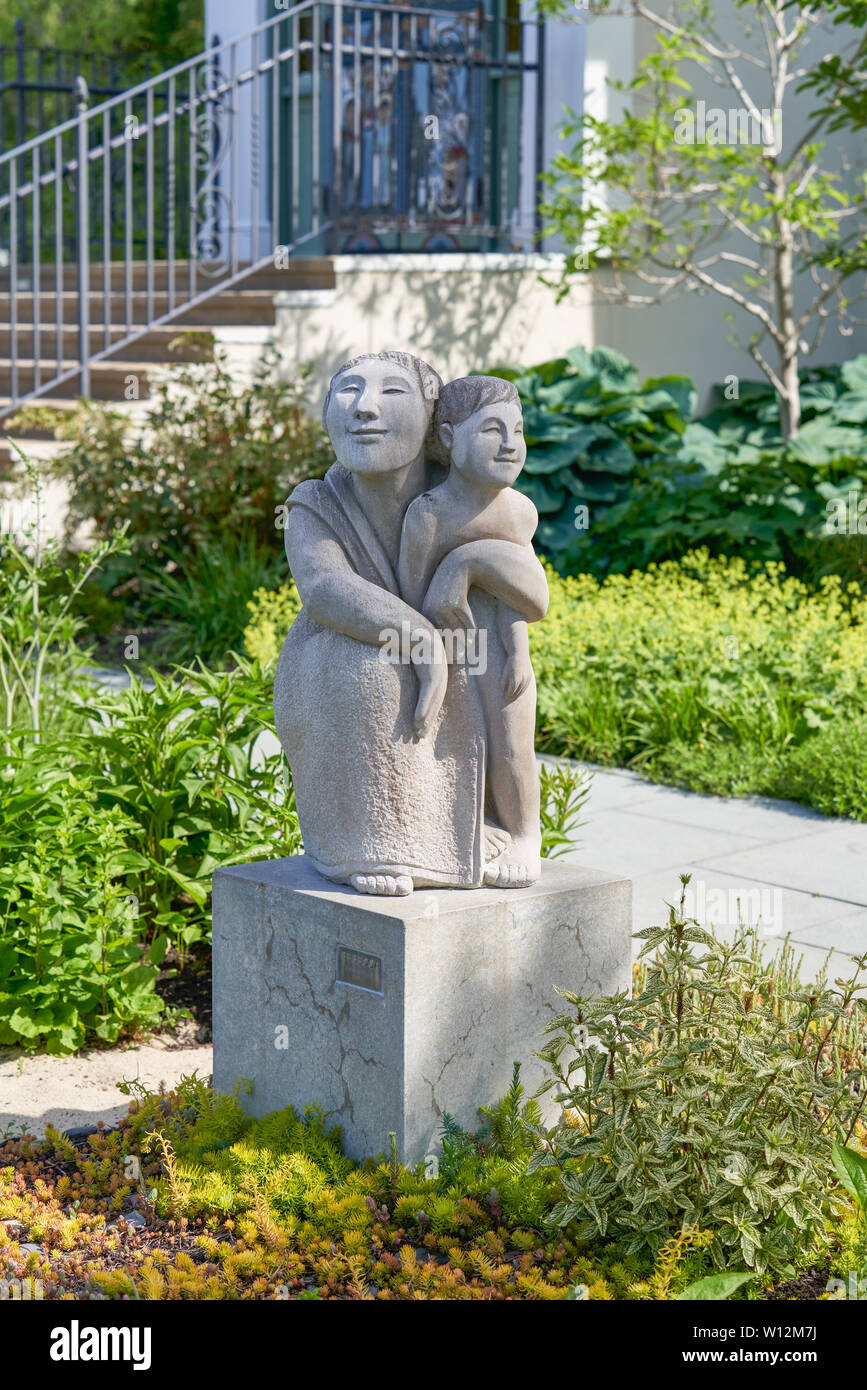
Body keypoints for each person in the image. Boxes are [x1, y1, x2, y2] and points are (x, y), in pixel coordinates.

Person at [273, 351, 548, 896]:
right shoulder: (315, 501)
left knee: (491, 641)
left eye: (391, 393)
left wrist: (463, 564)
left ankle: (501, 826)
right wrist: (417, 637)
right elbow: (325, 587)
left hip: (460, 645)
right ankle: (376, 841)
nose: (365, 409)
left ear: (431, 423)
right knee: (374, 669)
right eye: (348, 392)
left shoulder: (469, 494)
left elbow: (531, 590)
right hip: (349, 654)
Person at [398, 375, 543, 887]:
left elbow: (531, 600)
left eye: (519, 430)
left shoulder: (518, 511)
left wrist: (468, 561)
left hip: (503, 650)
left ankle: (526, 835)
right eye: (491, 430)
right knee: (455, 742)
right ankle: (463, 830)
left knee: (511, 743)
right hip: (444, 653)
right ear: (447, 440)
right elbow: (414, 598)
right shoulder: (429, 514)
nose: (509, 443)